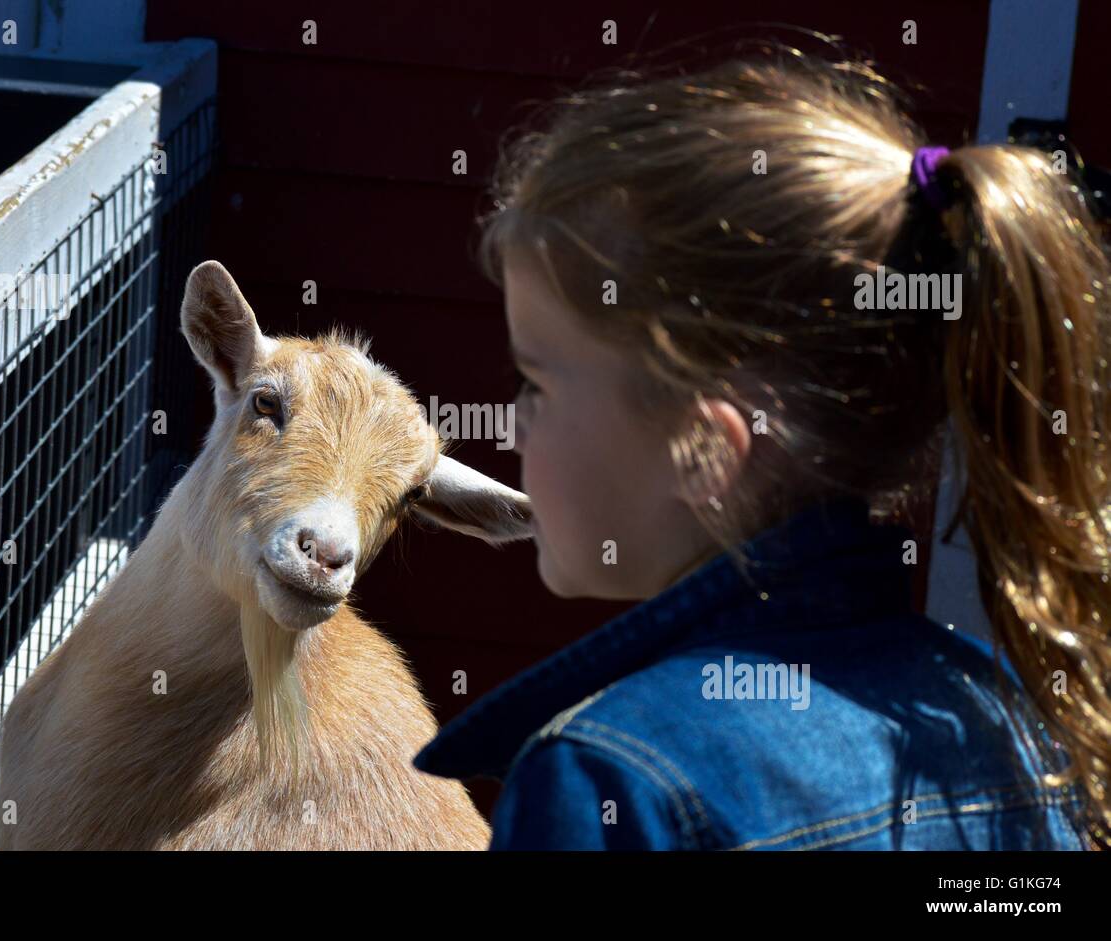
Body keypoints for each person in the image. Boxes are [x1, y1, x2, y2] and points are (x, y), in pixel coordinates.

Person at [412, 45, 1110, 850]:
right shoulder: (1008, 717)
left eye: (537, 380)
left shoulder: (609, 785)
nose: (516, 420)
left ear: (704, 450)